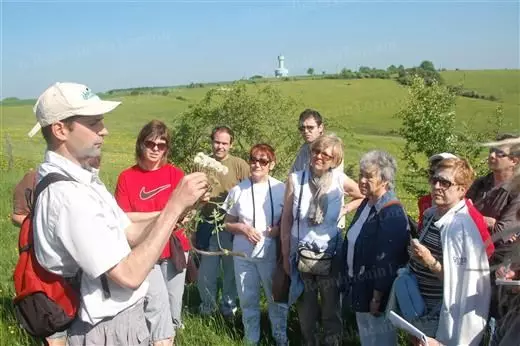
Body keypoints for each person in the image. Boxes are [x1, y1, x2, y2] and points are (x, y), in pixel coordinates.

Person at [28, 82, 208, 345]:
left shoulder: (85, 181)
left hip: (119, 322)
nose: (105, 130)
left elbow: (129, 231)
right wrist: (174, 207)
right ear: (60, 130)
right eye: (93, 123)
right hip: (103, 329)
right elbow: (128, 275)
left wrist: (179, 210)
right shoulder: (69, 197)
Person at [281, 134, 363, 346]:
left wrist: (344, 209)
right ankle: (310, 340)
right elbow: (287, 219)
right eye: (316, 152)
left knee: (330, 305)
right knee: (305, 306)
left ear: (335, 160)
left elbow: (363, 195)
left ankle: (332, 341)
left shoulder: (339, 180)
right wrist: (284, 254)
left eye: (325, 155)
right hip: (301, 253)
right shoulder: (295, 179)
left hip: (331, 253)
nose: (319, 157)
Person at [11, 156, 101, 346]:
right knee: (57, 331)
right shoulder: (33, 179)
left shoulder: (86, 183)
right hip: (48, 276)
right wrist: (45, 225)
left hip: (80, 275)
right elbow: (17, 215)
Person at [115, 120, 189, 346]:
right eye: (151, 143)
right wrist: (166, 214)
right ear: (141, 144)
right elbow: (124, 217)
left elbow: (185, 212)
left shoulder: (175, 175)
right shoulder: (127, 177)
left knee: (173, 305)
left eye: (162, 144)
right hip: (144, 250)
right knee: (154, 306)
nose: (156, 148)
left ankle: (170, 339)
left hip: (176, 247)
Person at [409, 158, 491, 346]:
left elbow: (461, 283)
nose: (437, 186)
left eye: (445, 183)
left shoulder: (460, 227)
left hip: (443, 315)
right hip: (420, 305)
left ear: (462, 190)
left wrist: (429, 261)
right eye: (435, 180)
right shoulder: (432, 214)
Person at [223, 143, 289, 345]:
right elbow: (226, 223)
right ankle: (251, 337)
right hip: (243, 254)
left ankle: (280, 336)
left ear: (272, 164)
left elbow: (290, 220)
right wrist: (242, 228)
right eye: (253, 160)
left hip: (271, 253)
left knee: (275, 296)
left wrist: (278, 231)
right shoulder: (238, 190)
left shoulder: (282, 188)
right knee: (247, 297)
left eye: (263, 161)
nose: (257, 165)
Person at [343, 150, 409, 346]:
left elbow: (387, 259)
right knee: (368, 338)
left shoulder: (391, 212)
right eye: (361, 174)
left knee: (381, 340)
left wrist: (377, 297)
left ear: (385, 180)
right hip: (360, 287)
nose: (362, 180)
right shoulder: (366, 204)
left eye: (369, 176)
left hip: (375, 295)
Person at [196, 126, 250, 318]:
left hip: (229, 225)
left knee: (230, 271)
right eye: (217, 142)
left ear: (231, 144)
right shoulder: (202, 163)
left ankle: (229, 309)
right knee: (206, 273)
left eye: (224, 143)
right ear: (212, 142)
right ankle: (207, 308)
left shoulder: (239, 164)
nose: (220, 146)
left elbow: (250, 191)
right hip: (207, 223)